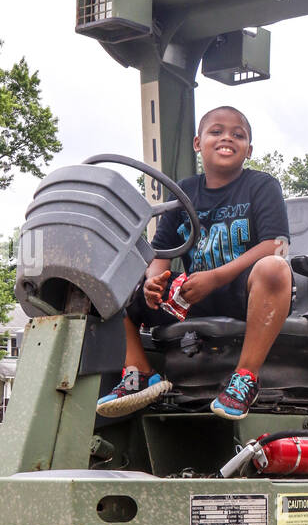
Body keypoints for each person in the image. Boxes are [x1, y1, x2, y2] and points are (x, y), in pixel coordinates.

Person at [97, 106, 292, 420]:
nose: (226, 138)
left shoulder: (261, 186)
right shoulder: (184, 191)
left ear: (249, 150)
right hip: (193, 297)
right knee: (117, 277)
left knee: (274, 267)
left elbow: (276, 245)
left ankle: (245, 379)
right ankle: (140, 374)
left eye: (238, 135)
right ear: (198, 143)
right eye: (216, 131)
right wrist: (153, 282)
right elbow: (161, 252)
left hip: (245, 294)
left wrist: (214, 278)